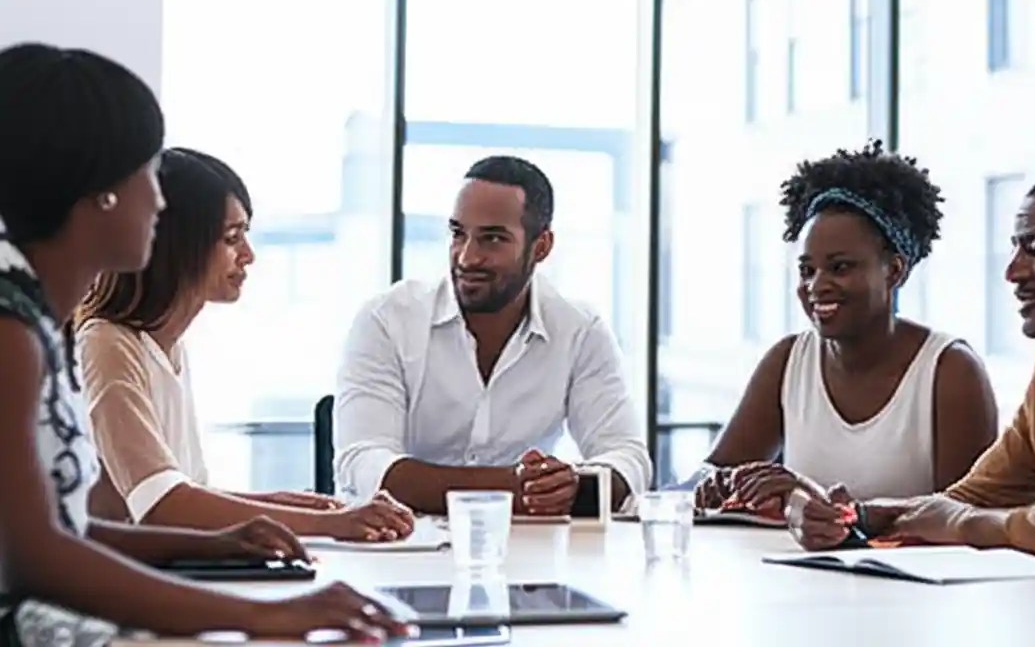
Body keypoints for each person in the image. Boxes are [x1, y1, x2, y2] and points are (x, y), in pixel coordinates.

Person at [0, 42, 406, 642]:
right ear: (99, 191)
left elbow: (63, 528)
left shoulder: (31, 319)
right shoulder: (12, 333)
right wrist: (261, 615)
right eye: (144, 175)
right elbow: (36, 559)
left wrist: (214, 542)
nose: (158, 201)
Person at [790, 163, 1035, 555]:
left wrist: (976, 523)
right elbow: (969, 499)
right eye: (1015, 247)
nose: (1013, 272)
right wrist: (853, 518)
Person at [76, 147, 414, 542]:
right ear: (179, 245)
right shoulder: (107, 344)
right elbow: (162, 505)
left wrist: (286, 505)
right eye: (232, 238)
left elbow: (186, 492)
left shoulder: (166, 349)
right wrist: (330, 525)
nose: (248, 256)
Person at [691, 141, 999, 520]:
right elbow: (716, 472)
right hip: (801, 576)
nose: (817, 285)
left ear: (894, 271)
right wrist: (722, 486)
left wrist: (813, 501)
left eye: (839, 268)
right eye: (807, 270)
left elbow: (966, 521)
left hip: (908, 579)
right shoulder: (787, 361)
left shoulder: (951, 371)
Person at [334, 155, 652, 515]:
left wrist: (576, 487)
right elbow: (366, 465)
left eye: (493, 239)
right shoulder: (387, 320)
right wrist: (521, 490)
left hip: (527, 554)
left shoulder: (579, 329)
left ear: (542, 247)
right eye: (458, 234)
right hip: (395, 549)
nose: (468, 257)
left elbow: (629, 457)